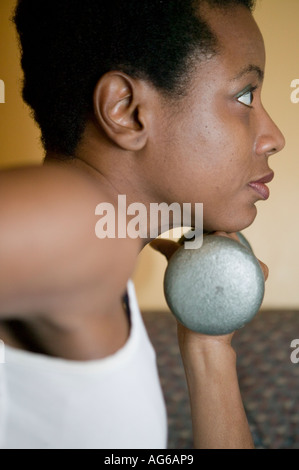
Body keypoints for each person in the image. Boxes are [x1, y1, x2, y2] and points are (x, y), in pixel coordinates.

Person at [0, 0, 285, 449]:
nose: (274, 137)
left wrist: (210, 348)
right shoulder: (85, 233)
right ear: (127, 110)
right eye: (246, 96)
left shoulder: (101, 270)